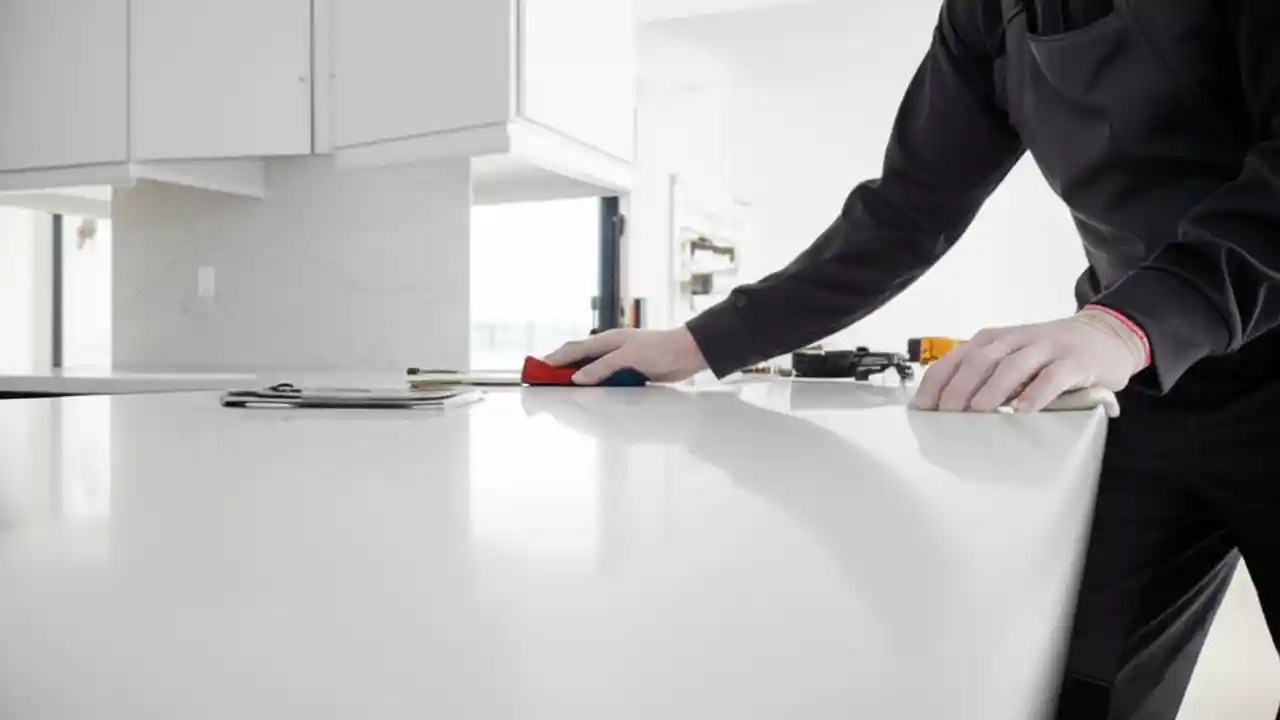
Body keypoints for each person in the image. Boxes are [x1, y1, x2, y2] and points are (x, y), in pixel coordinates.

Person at [547, 0, 1279, 717]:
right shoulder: (982, 16)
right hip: (1149, 392)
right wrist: (698, 343)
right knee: (1083, 685)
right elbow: (907, 212)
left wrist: (1127, 326)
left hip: (1216, 358)